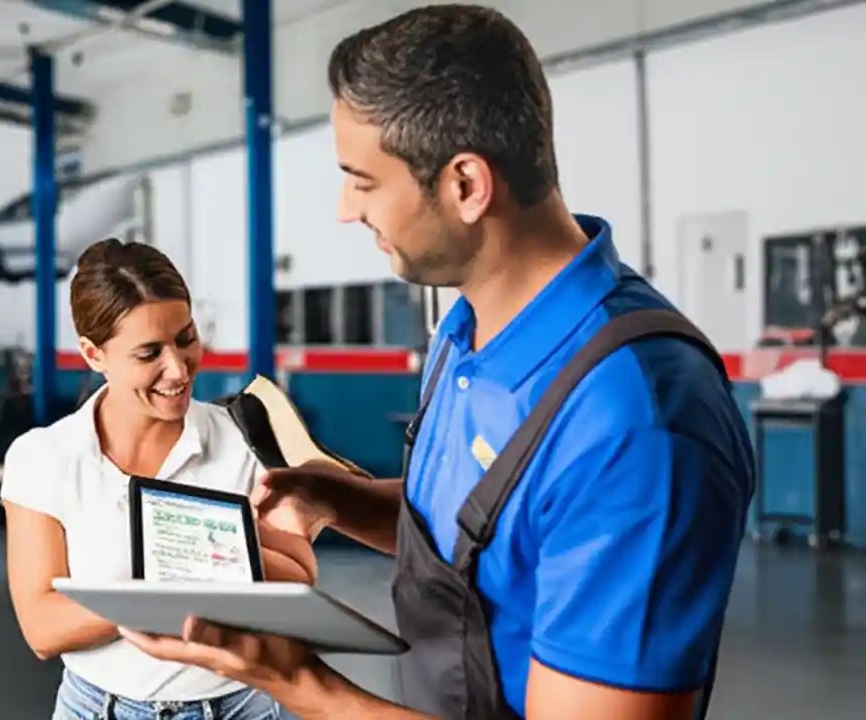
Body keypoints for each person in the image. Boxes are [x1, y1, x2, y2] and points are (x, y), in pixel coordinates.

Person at [119, 5, 756, 720]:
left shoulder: (637, 425)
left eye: (361, 180)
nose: (344, 209)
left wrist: (300, 684)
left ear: (465, 185)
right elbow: (490, 541)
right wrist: (341, 499)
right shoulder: (465, 333)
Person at [0, 238, 314, 720]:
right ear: (93, 353)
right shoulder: (43, 457)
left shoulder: (246, 439)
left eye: (186, 338)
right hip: (95, 708)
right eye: (149, 354)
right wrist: (181, 579)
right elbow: (43, 627)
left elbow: (299, 578)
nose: (178, 368)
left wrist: (231, 545)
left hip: (238, 708)